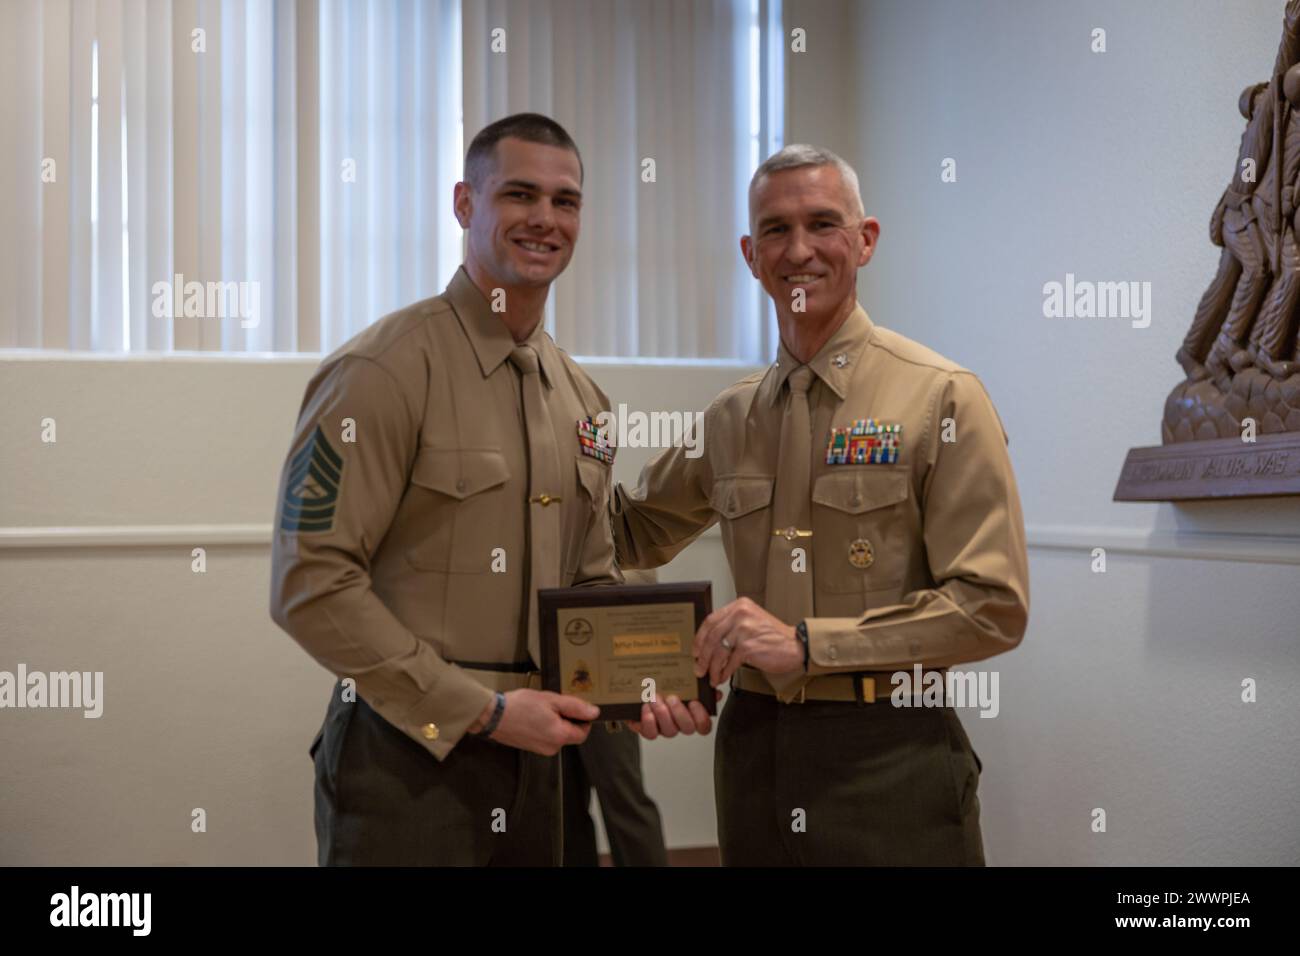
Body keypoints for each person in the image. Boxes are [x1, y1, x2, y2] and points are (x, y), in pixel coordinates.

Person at [612, 144, 1030, 866]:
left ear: (864, 241)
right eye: (775, 230)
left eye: (822, 224)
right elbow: (625, 533)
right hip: (753, 750)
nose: (798, 249)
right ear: (750, 253)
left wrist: (808, 646)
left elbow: (992, 607)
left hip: (889, 754)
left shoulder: (941, 397)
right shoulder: (730, 419)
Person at [269, 113, 620, 866]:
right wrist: (483, 714)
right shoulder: (382, 372)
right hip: (405, 761)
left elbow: (590, 584)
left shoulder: (584, 400)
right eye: (520, 194)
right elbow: (310, 583)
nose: (545, 219)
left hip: (541, 760)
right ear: (465, 204)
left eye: (566, 201)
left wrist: (647, 683)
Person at [561, 568, 669, 867]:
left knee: (622, 794)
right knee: (560, 805)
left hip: (604, 666)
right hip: (544, 666)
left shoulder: (610, 521)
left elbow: (641, 579)